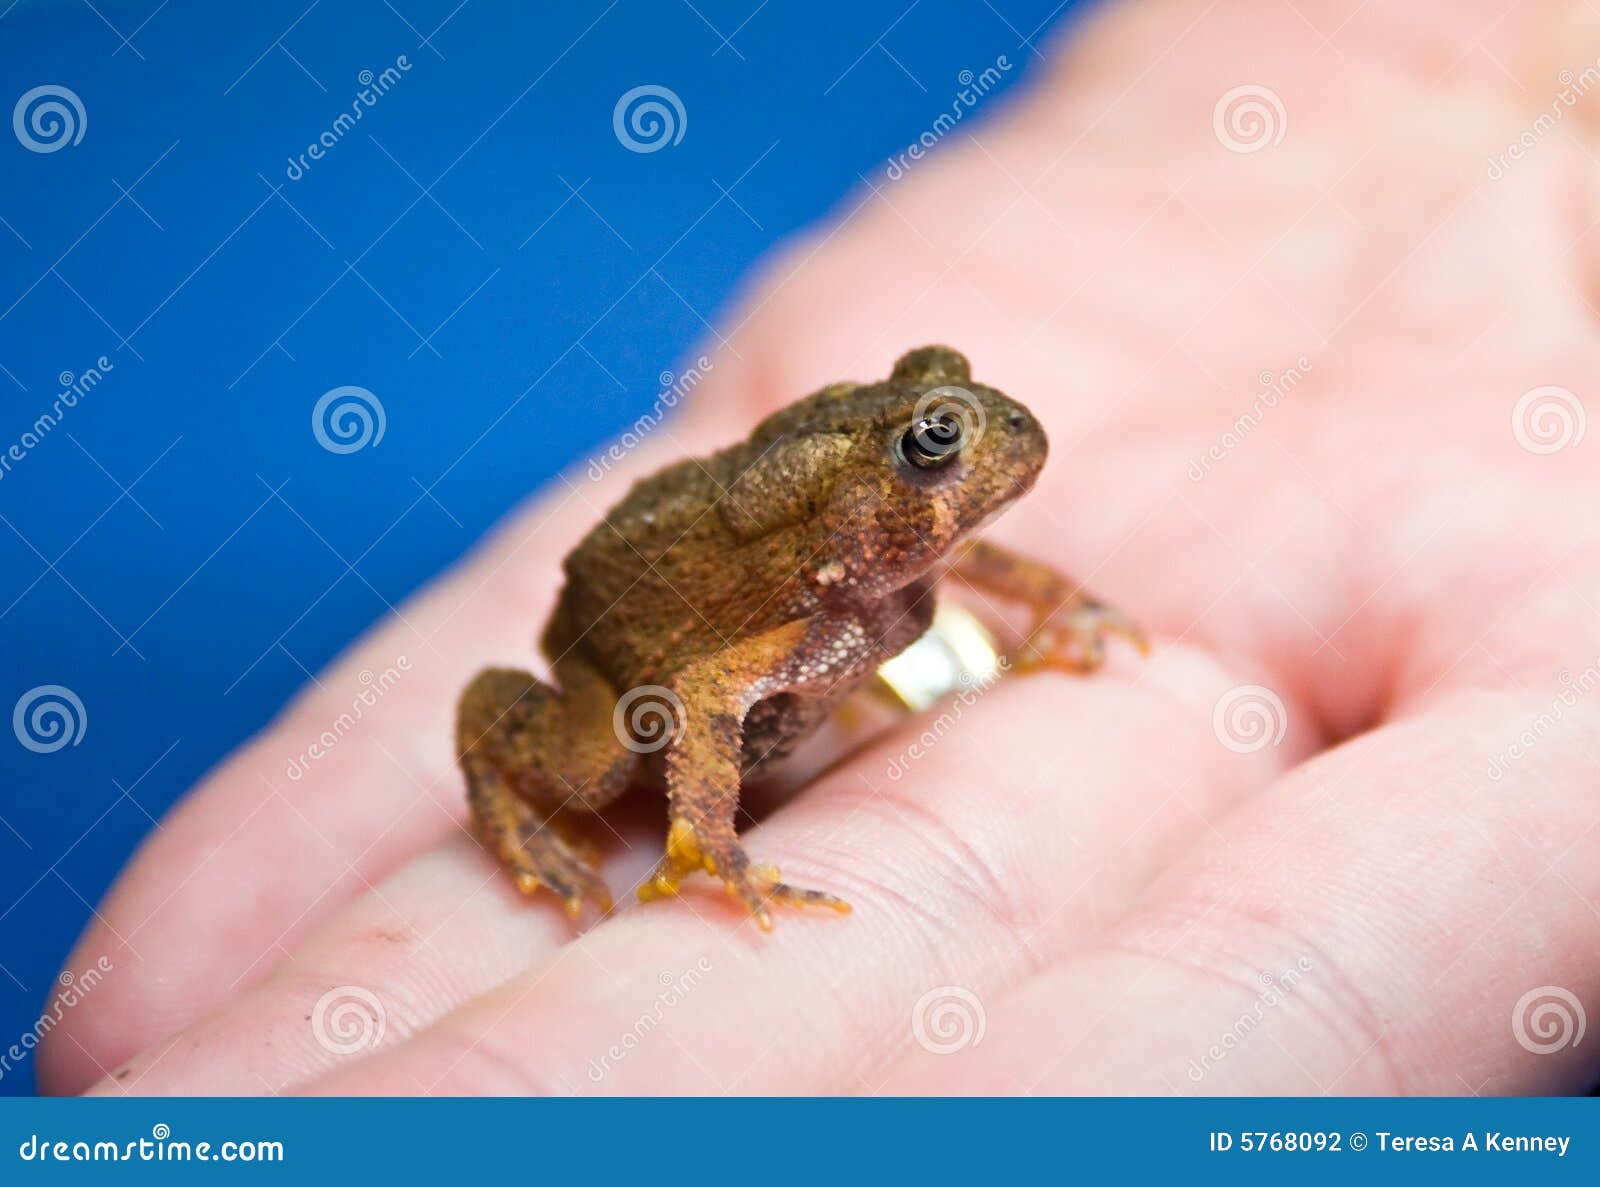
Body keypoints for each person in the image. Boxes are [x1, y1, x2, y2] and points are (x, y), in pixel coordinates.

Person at [38, 0, 1600, 1094]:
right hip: (630, 646)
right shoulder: (798, 596)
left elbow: (948, 565)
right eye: (937, 445)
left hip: (761, 562)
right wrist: (705, 851)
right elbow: (704, 703)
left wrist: (1053, 603)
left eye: (951, 414)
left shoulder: (887, 562)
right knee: (593, 772)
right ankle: (534, 810)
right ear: (867, 499)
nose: (975, 443)